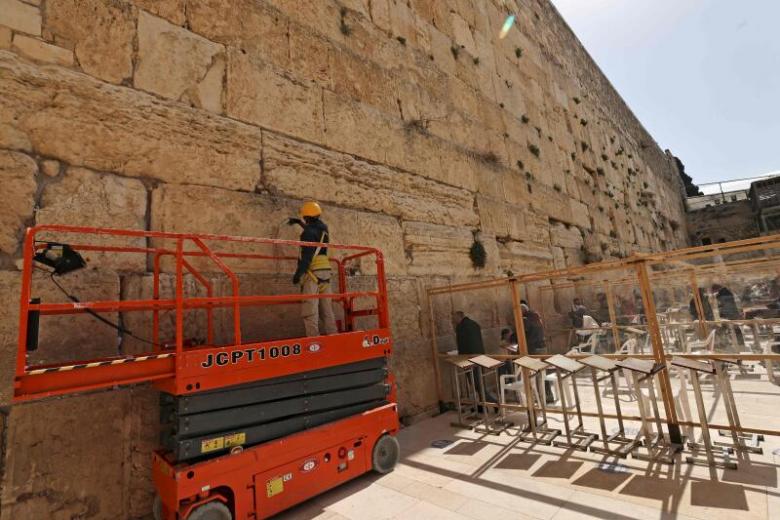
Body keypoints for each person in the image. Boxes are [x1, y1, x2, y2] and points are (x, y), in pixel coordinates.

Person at [289, 201, 338, 337]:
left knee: (310, 311)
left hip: (313, 273)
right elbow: (314, 234)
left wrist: (298, 275)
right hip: (325, 273)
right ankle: (333, 336)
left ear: (307, 217)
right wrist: (299, 223)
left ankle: (313, 341)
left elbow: (307, 257)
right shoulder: (324, 229)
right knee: (327, 310)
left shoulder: (307, 233)